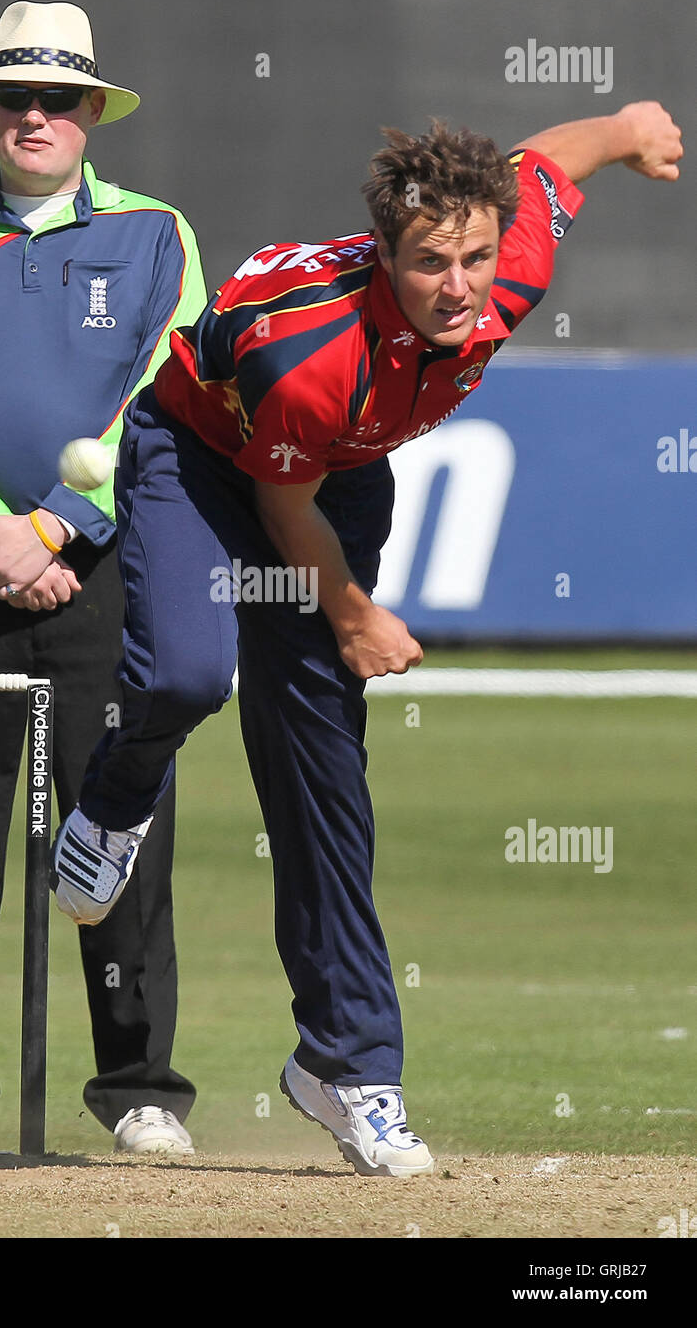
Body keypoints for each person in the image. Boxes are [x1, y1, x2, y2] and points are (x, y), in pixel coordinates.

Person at [52, 101, 683, 1176]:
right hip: (208, 449)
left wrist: (625, 129)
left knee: (323, 777)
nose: (459, 283)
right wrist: (353, 615)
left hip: (336, 466)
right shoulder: (313, 353)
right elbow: (278, 507)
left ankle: (346, 1070)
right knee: (189, 676)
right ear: (384, 254)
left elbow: (541, 163)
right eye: (431, 261)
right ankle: (114, 803)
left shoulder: (505, 260)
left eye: (474, 256)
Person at [0, 0, 207, 1155]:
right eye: (15, 94)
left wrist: (58, 528)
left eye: (58, 97)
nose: (35, 115)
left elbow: (169, 397)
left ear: (89, 113)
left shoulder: (156, 232)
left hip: (109, 569)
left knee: (115, 826)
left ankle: (140, 1088)